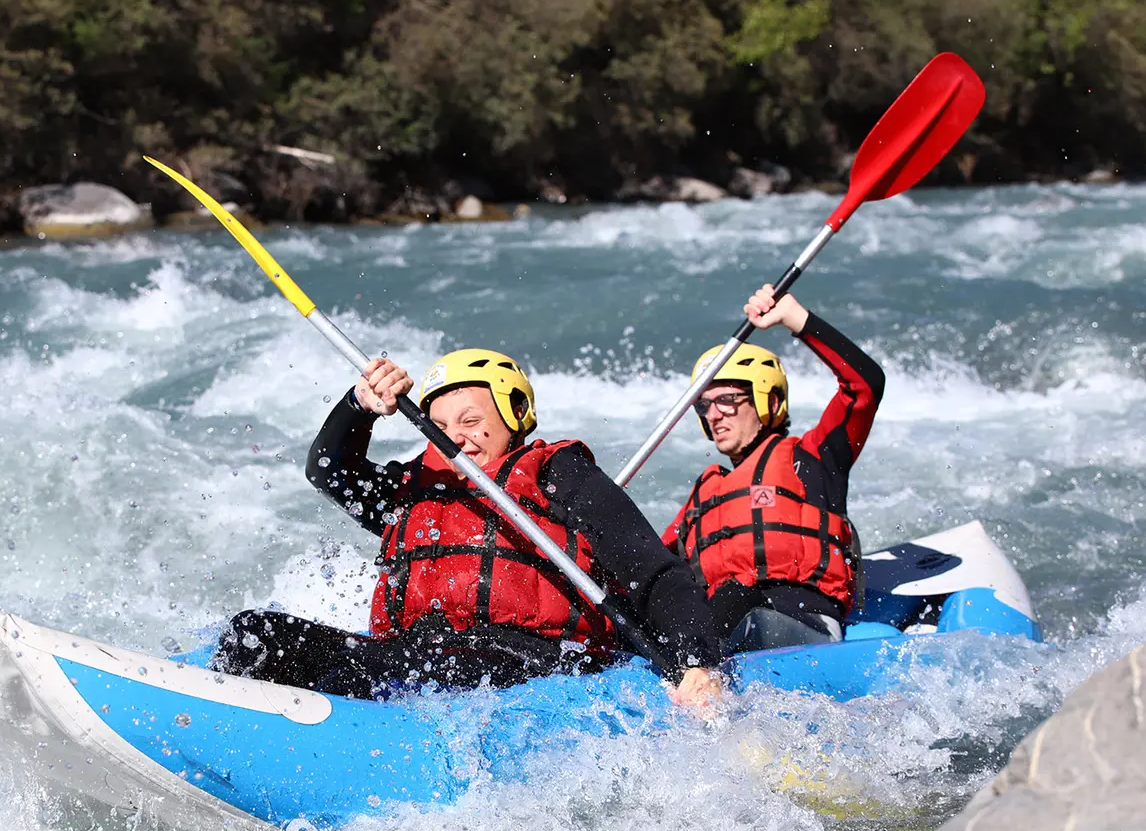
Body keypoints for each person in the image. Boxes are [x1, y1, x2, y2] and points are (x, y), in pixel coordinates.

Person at [211, 348, 724, 708]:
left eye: (472, 421)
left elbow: (651, 570)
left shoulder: (558, 475)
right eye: (441, 426)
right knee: (256, 635)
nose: (456, 438)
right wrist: (359, 406)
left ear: (516, 416)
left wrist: (696, 662)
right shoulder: (414, 489)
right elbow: (330, 471)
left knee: (399, 667)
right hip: (420, 654)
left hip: (529, 660)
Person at [663, 285, 885, 653]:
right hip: (724, 631)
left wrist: (796, 319)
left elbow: (864, 386)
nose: (713, 414)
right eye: (704, 405)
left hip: (805, 627)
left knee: (735, 597)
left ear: (771, 400)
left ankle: (695, 670)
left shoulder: (812, 459)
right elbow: (651, 568)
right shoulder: (702, 496)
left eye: (727, 400)